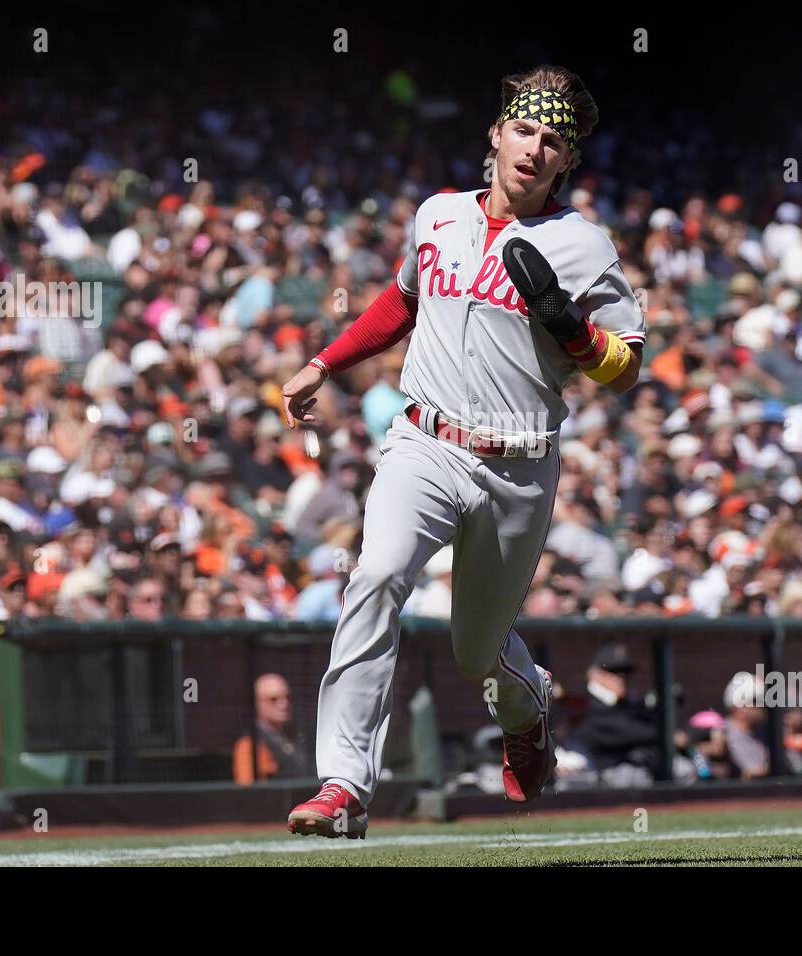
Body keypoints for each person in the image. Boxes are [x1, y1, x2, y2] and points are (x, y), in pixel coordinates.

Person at [282, 65, 645, 838]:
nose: (535, 149)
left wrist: (577, 334)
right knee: (375, 576)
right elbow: (403, 301)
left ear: (567, 161)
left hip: (518, 463)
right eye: (524, 129)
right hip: (424, 443)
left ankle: (529, 707)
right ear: (495, 133)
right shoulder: (438, 214)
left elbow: (627, 366)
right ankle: (344, 783)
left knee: (478, 652)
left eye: (554, 141)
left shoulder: (581, 245)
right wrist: (324, 364)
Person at [562, 643, 661, 786]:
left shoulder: (629, 703)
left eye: (625, 672)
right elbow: (634, 731)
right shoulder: (583, 703)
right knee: (632, 776)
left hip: (633, 769)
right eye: (612, 671)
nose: (621, 677)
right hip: (595, 775)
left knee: (681, 768)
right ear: (594, 673)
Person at [232, 673, 310, 784]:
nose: (284, 704)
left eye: (287, 697)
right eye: (273, 699)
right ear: (257, 703)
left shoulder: (296, 735)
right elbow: (248, 789)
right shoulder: (249, 743)